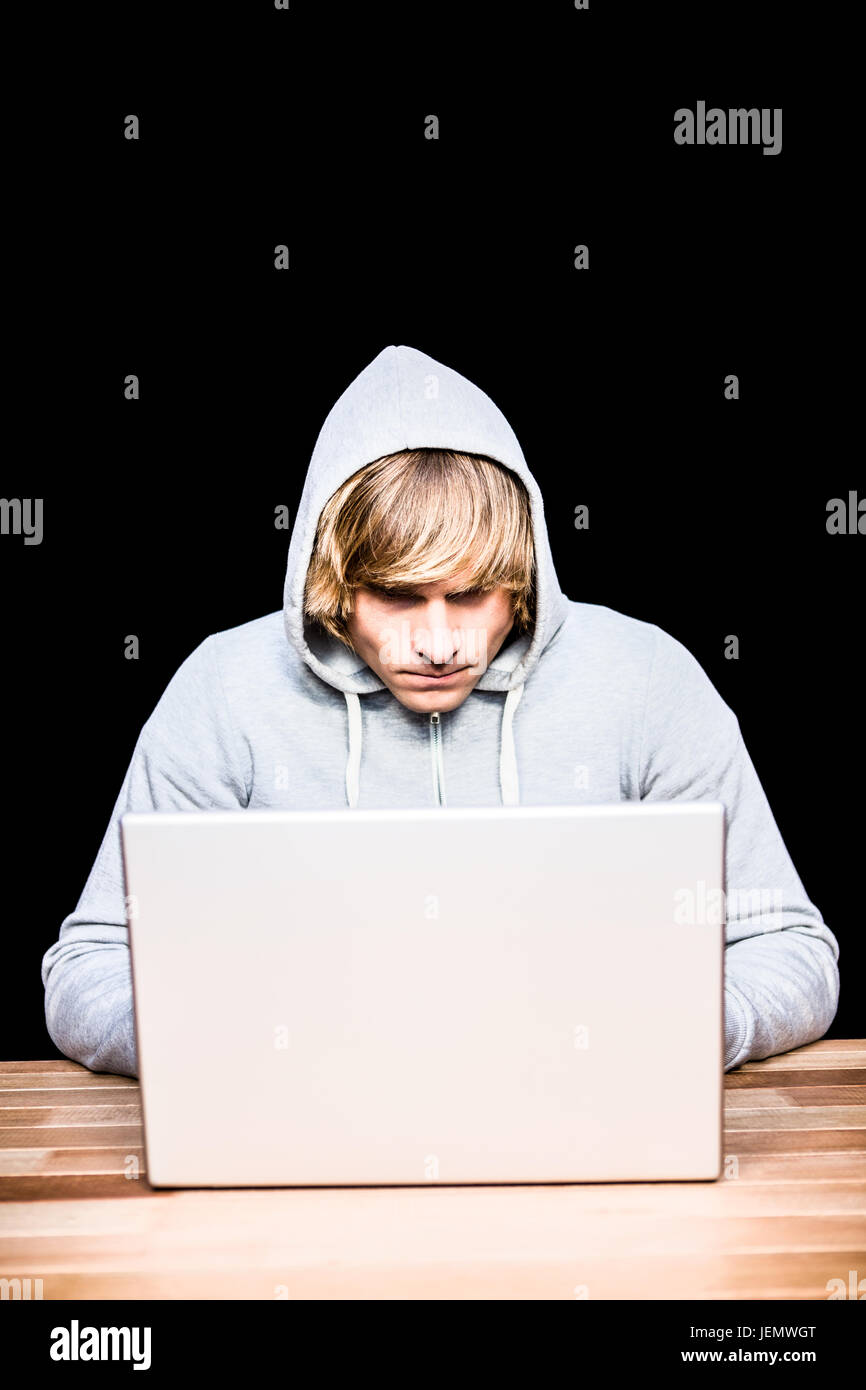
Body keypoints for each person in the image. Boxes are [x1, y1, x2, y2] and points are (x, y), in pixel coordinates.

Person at [41, 344, 840, 1079]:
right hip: (299, 1135)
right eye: (395, 595)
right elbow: (92, 965)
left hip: (589, 1132)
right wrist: (228, 1041)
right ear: (331, 583)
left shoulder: (650, 682)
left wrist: (674, 1031)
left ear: (521, 578)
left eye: (469, 595)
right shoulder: (221, 691)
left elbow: (791, 946)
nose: (438, 641)